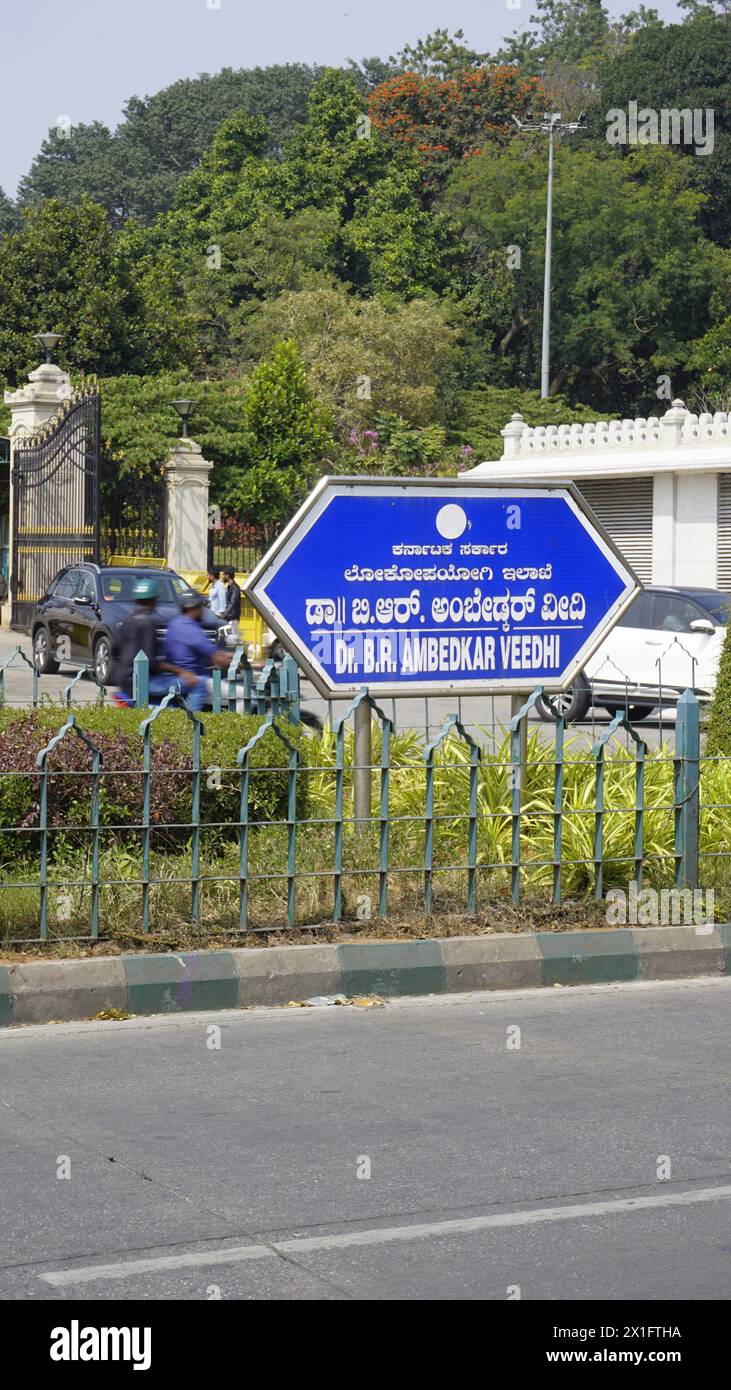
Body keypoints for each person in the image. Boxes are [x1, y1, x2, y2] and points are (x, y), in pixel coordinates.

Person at [112, 578, 198, 708]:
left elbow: (115, 651)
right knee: (197, 684)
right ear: (154, 600)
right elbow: (151, 661)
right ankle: (194, 721)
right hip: (143, 682)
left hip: (123, 680)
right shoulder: (148, 622)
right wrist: (182, 671)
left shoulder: (126, 621)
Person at [164, 591, 233, 710]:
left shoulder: (174, 625)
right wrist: (245, 664)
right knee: (246, 696)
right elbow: (219, 660)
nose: (203, 611)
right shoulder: (191, 629)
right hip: (197, 680)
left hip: (179, 679)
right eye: (201, 606)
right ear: (194, 608)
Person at [223, 566, 242, 641]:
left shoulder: (235, 588)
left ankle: (239, 652)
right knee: (229, 639)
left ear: (227, 576)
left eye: (224, 575)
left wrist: (224, 614)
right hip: (228, 617)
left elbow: (232, 602)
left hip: (233, 617)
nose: (223, 577)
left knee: (233, 639)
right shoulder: (228, 587)